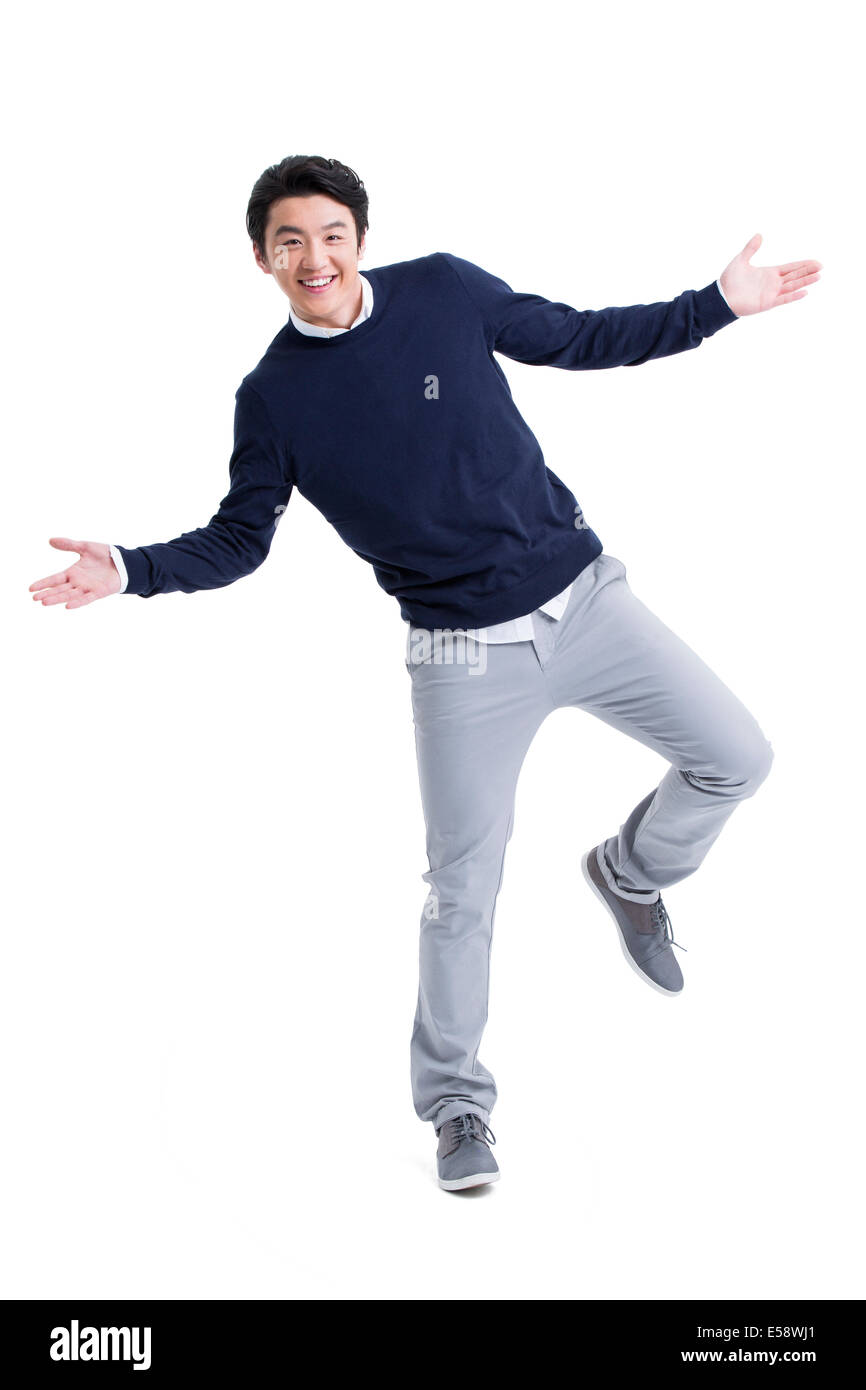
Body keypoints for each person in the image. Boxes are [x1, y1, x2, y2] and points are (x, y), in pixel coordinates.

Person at [29, 154, 822, 1194]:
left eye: (329, 234)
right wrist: (129, 569)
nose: (312, 257)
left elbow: (580, 337)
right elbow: (238, 540)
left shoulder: (443, 291)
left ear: (359, 237)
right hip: (459, 656)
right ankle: (456, 1107)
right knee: (461, 891)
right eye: (288, 242)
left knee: (736, 756)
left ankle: (630, 875)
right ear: (261, 260)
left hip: (584, 600)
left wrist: (712, 305)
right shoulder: (273, 399)